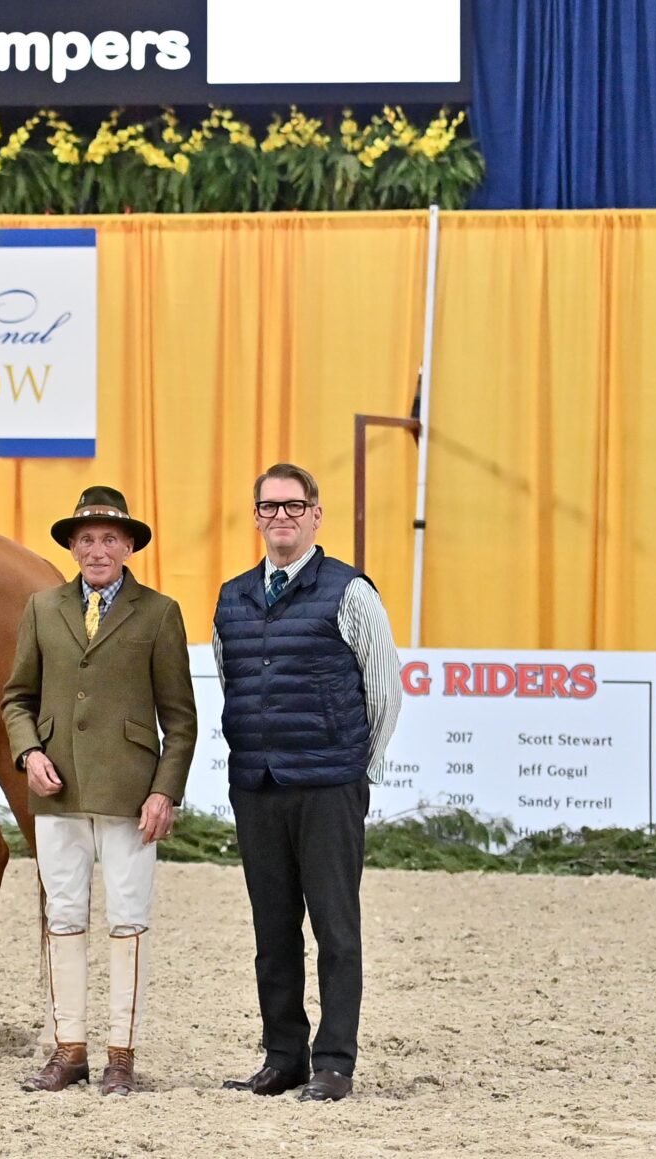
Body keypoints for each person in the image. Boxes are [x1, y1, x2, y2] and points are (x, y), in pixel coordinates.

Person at [212, 463, 401, 1103]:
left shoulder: (350, 592)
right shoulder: (232, 598)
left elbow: (384, 691)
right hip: (257, 785)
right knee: (272, 932)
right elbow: (232, 683)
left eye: (294, 507)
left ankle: (335, 1062)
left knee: (336, 930)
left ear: (316, 515)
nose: (282, 518)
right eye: (270, 507)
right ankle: (283, 1056)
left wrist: (353, 767)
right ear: (257, 516)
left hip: (328, 789)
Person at [1, 486, 196, 1097]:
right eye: (86, 538)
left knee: (128, 923)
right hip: (56, 792)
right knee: (62, 920)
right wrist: (28, 752)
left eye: (109, 538)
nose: (97, 549)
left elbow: (181, 719)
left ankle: (121, 1055)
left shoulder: (160, 613)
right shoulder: (41, 607)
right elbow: (16, 699)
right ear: (72, 546)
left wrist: (165, 791)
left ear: (129, 545)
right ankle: (69, 1051)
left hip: (132, 796)